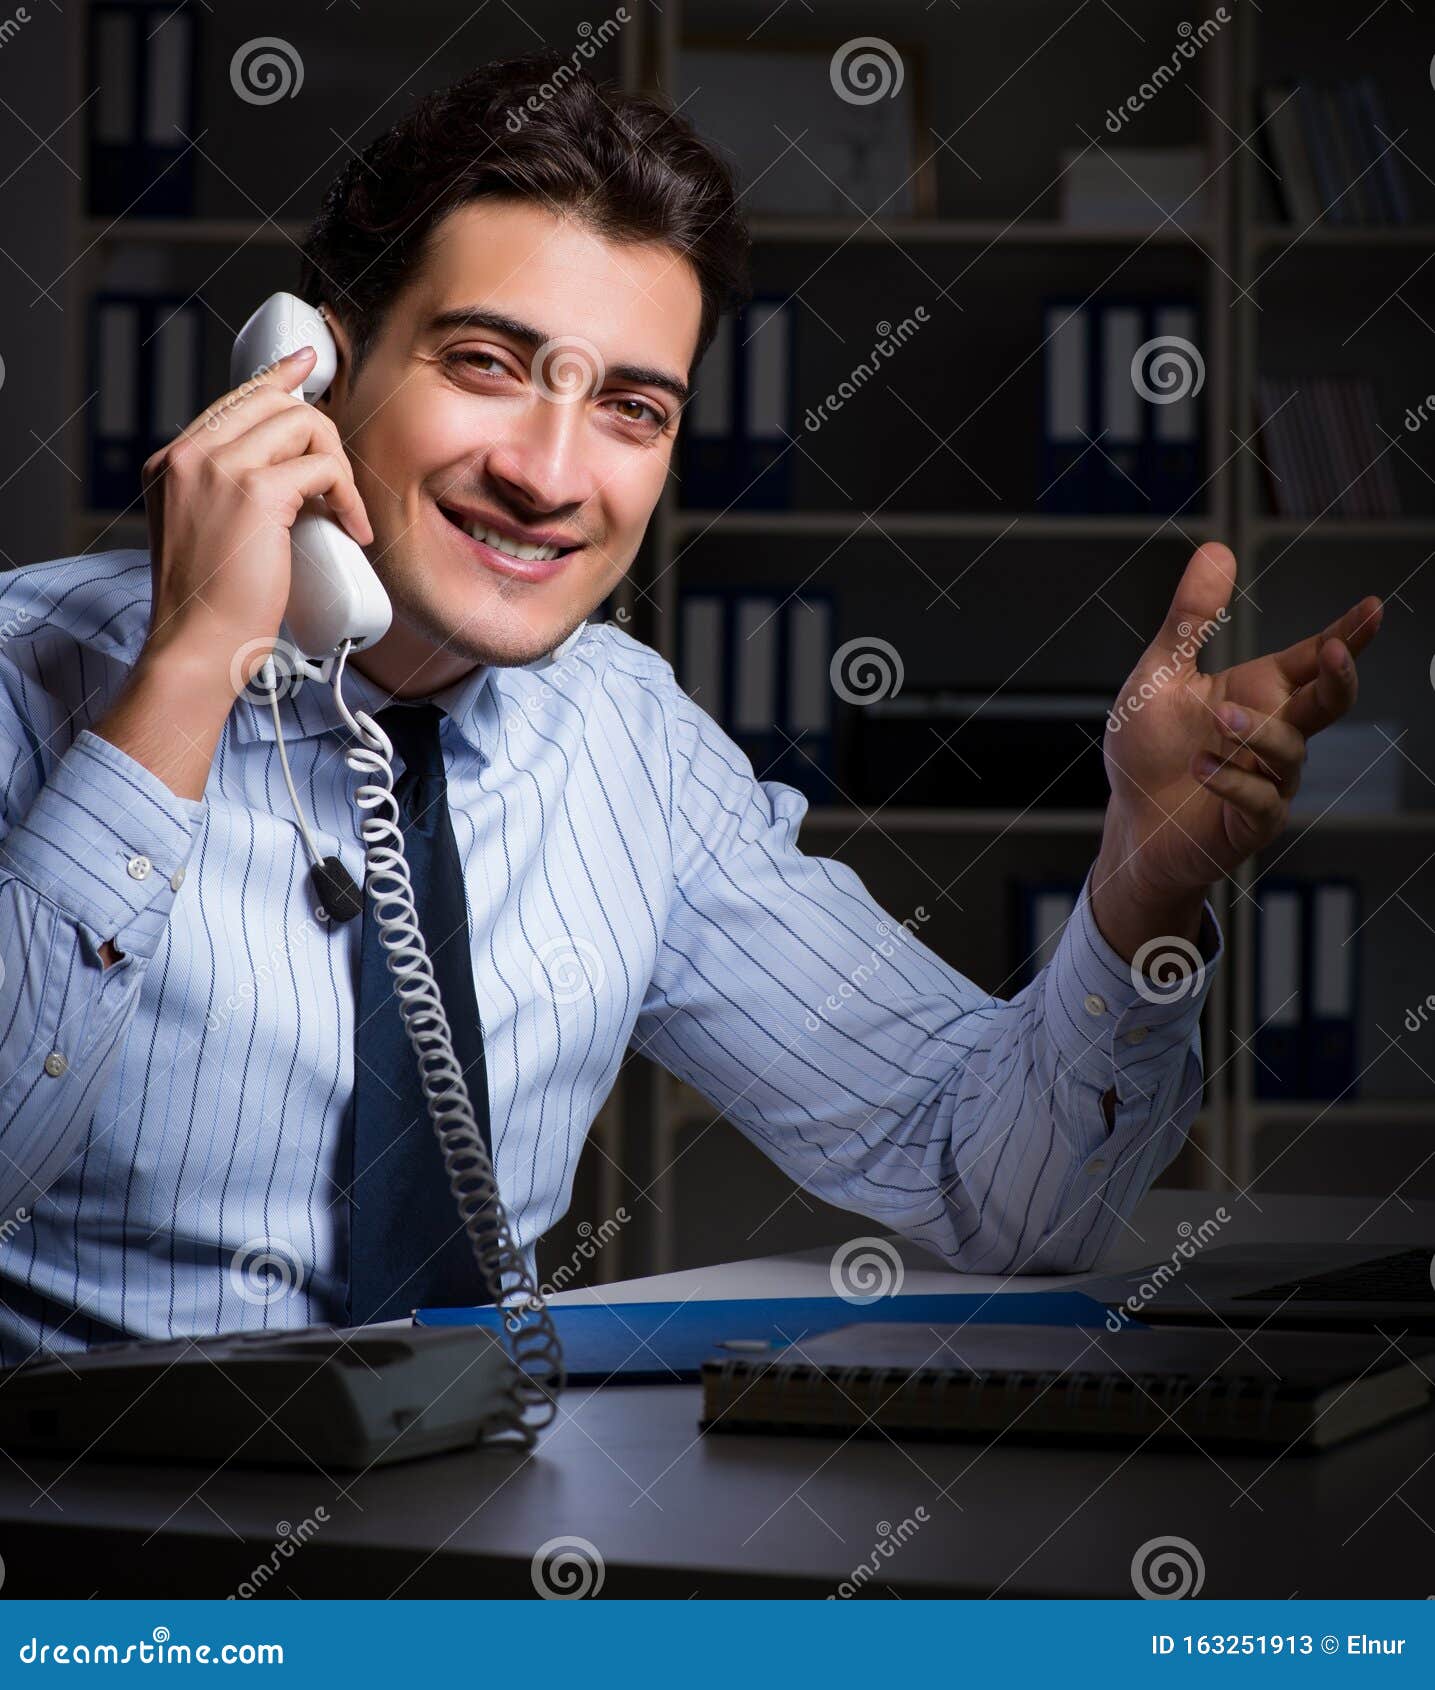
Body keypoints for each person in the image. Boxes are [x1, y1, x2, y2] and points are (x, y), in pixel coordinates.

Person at [0, 55, 1380, 1358]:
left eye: (632, 409)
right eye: (485, 363)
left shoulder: (629, 743)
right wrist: (190, 668)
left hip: (478, 1504)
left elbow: (1001, 1192)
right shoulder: (27, 672)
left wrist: (1141, 888)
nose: (551, 476)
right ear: (309, 370)